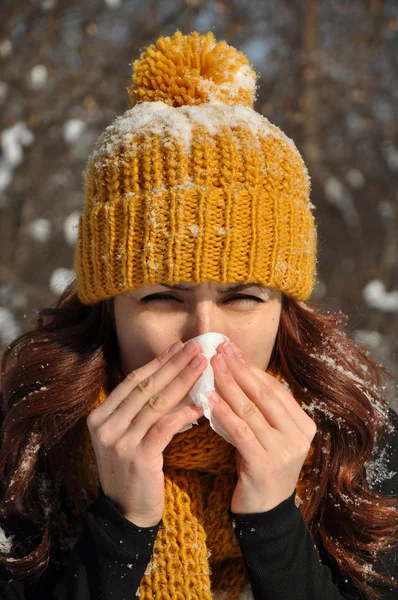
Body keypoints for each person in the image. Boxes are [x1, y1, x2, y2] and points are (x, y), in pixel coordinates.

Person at [0, 30, 397, 600]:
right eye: (161, 298)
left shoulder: (360, 451)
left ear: (285, 308)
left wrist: (275, 527)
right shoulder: (25, 449)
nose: (204, 335)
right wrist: (118, 528)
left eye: (243, 298)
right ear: (109, 307)